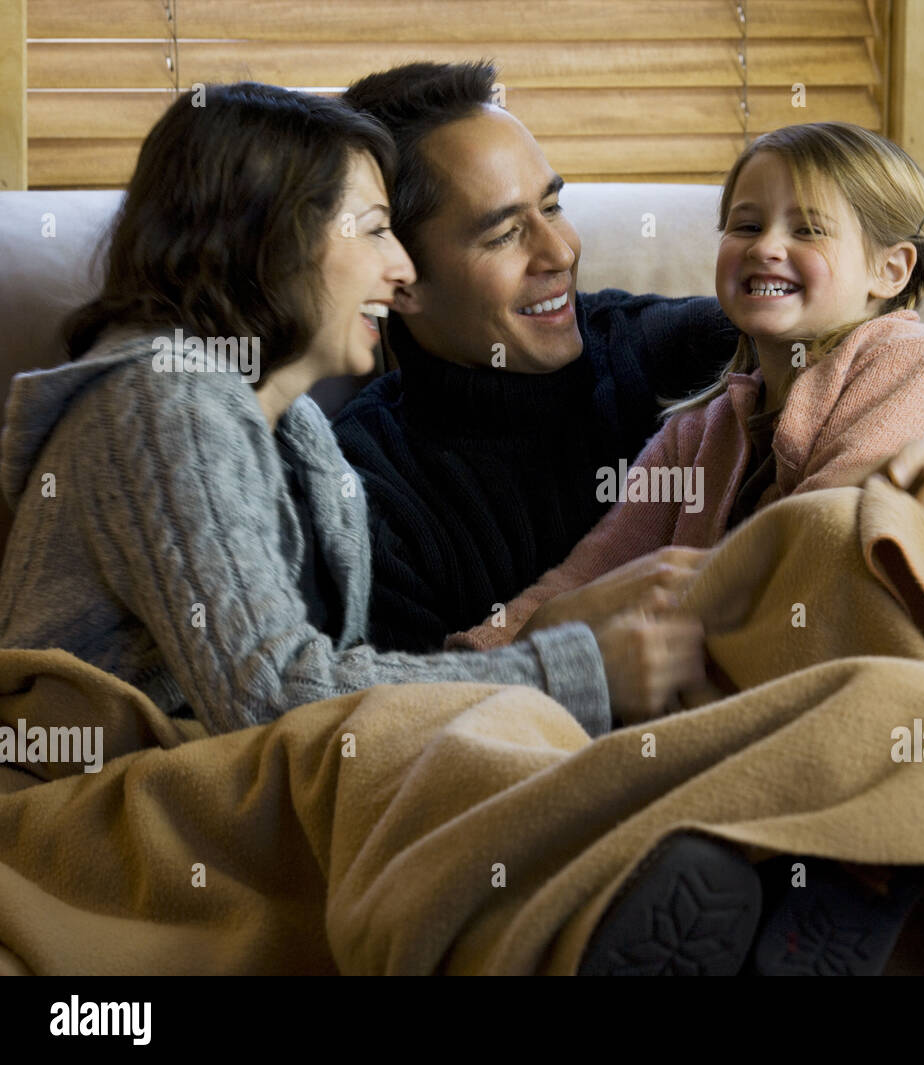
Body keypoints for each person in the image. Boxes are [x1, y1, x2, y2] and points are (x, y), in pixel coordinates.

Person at [332, 62, 924, 977]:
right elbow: (581, 574)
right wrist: (526, 640)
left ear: (888, 271)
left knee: (834, 610)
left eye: (556, 204)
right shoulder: (668, 423)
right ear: (399, 274)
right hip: (792, 718)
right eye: (507, 232)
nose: (561, 252)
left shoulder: (827, 347)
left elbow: (855, 529)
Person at [0, 82, 705, 738]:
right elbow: (271, 696)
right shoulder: (166, 404)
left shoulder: (294, 429)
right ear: (271, 245)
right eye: (373, 231)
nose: (400, 270)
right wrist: (577, 669)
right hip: (93, 801)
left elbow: (337, 683)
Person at [449, 122, 924, 668]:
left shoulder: (904, 358)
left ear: (890, 271)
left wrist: (676, 609)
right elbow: (595, 568)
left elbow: (826, 536)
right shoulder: (695, 431)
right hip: (829, 665)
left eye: (808, 229)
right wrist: (479, 661)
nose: (766, 246)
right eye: (746, 225)